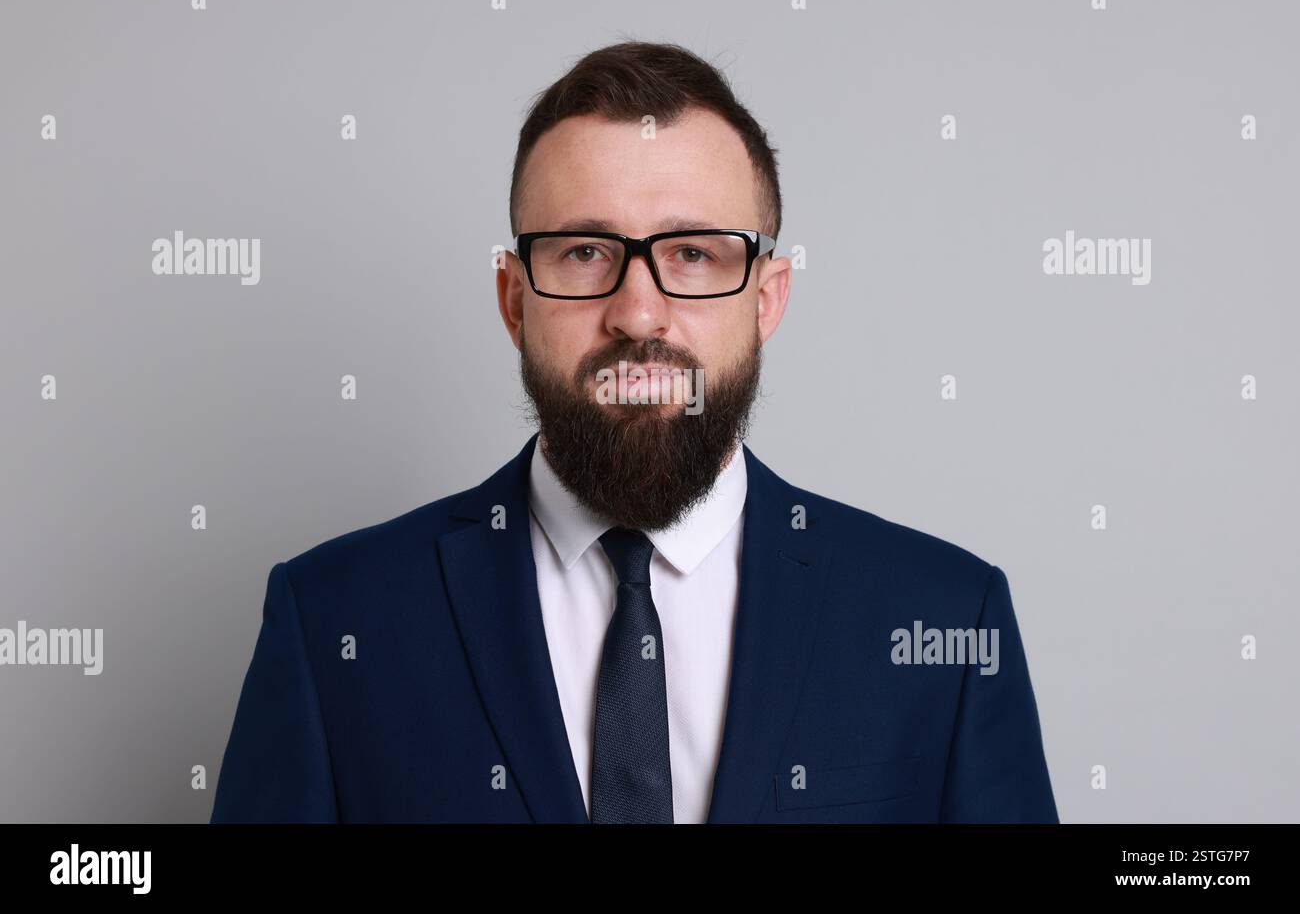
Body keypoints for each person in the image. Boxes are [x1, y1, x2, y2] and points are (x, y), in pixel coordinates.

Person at [210, 40, 1058, 824]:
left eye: (693, 253)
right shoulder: (333, 620)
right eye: (584, 252)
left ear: (767, 300)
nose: (638, 312)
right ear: (514, 300)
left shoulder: (944, 619)